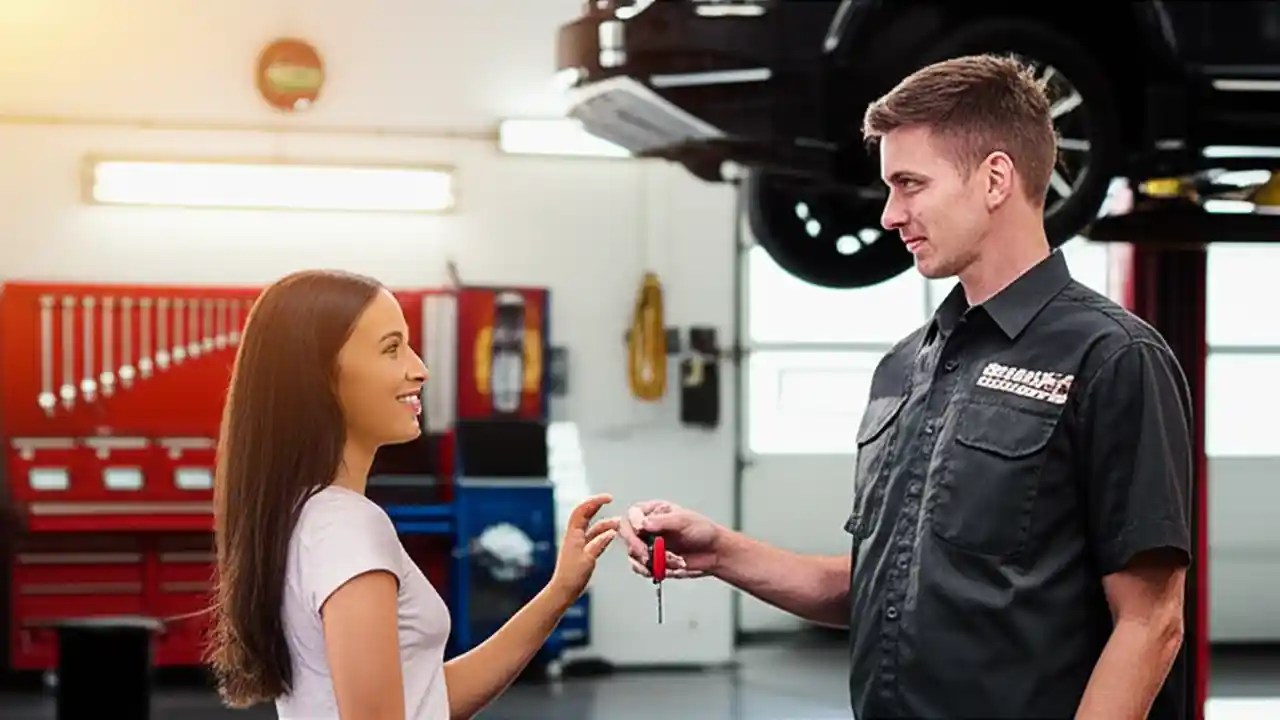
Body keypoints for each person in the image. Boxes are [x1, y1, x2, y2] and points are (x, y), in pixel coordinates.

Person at [620, 54, 1193, 720]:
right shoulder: (905, 366)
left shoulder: (1113, 358)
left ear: (995, 178)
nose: (891, 214)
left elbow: (1152, 623)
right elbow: (883, 585)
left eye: (910, 184)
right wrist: (722, 551)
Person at [206, 269, 619, 719]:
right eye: (391, 349)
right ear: (323, 376)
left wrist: (559, 592)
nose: (419, 369)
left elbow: (424, 703)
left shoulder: (306, 516)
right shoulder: (346, 526)